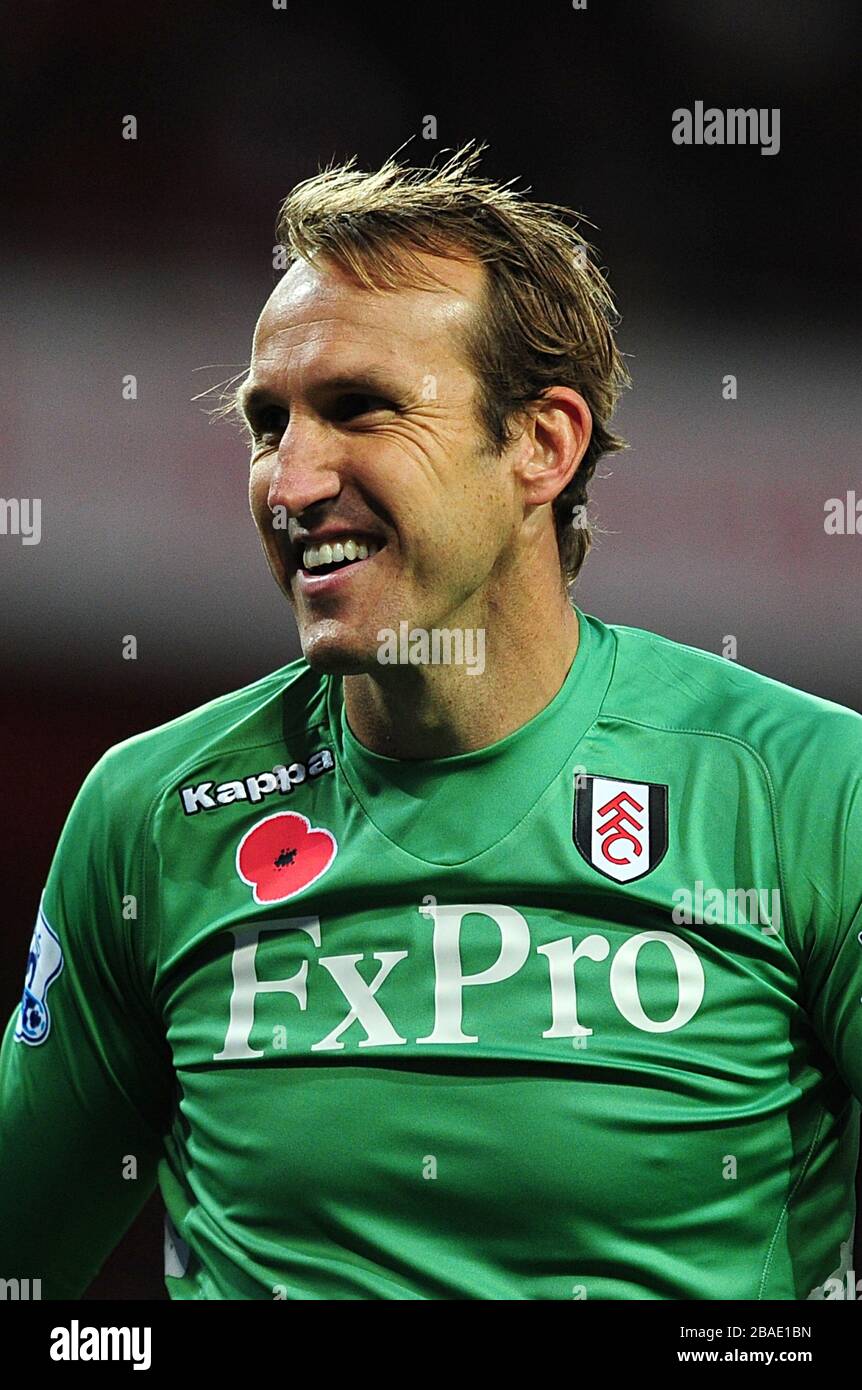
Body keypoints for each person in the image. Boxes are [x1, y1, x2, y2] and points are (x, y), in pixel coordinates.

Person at [2, 141, 860, 1301]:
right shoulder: (150, 815)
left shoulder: (807, 794)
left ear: (541, 444)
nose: (292, 481)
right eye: (269, 423)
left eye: (359, 410)